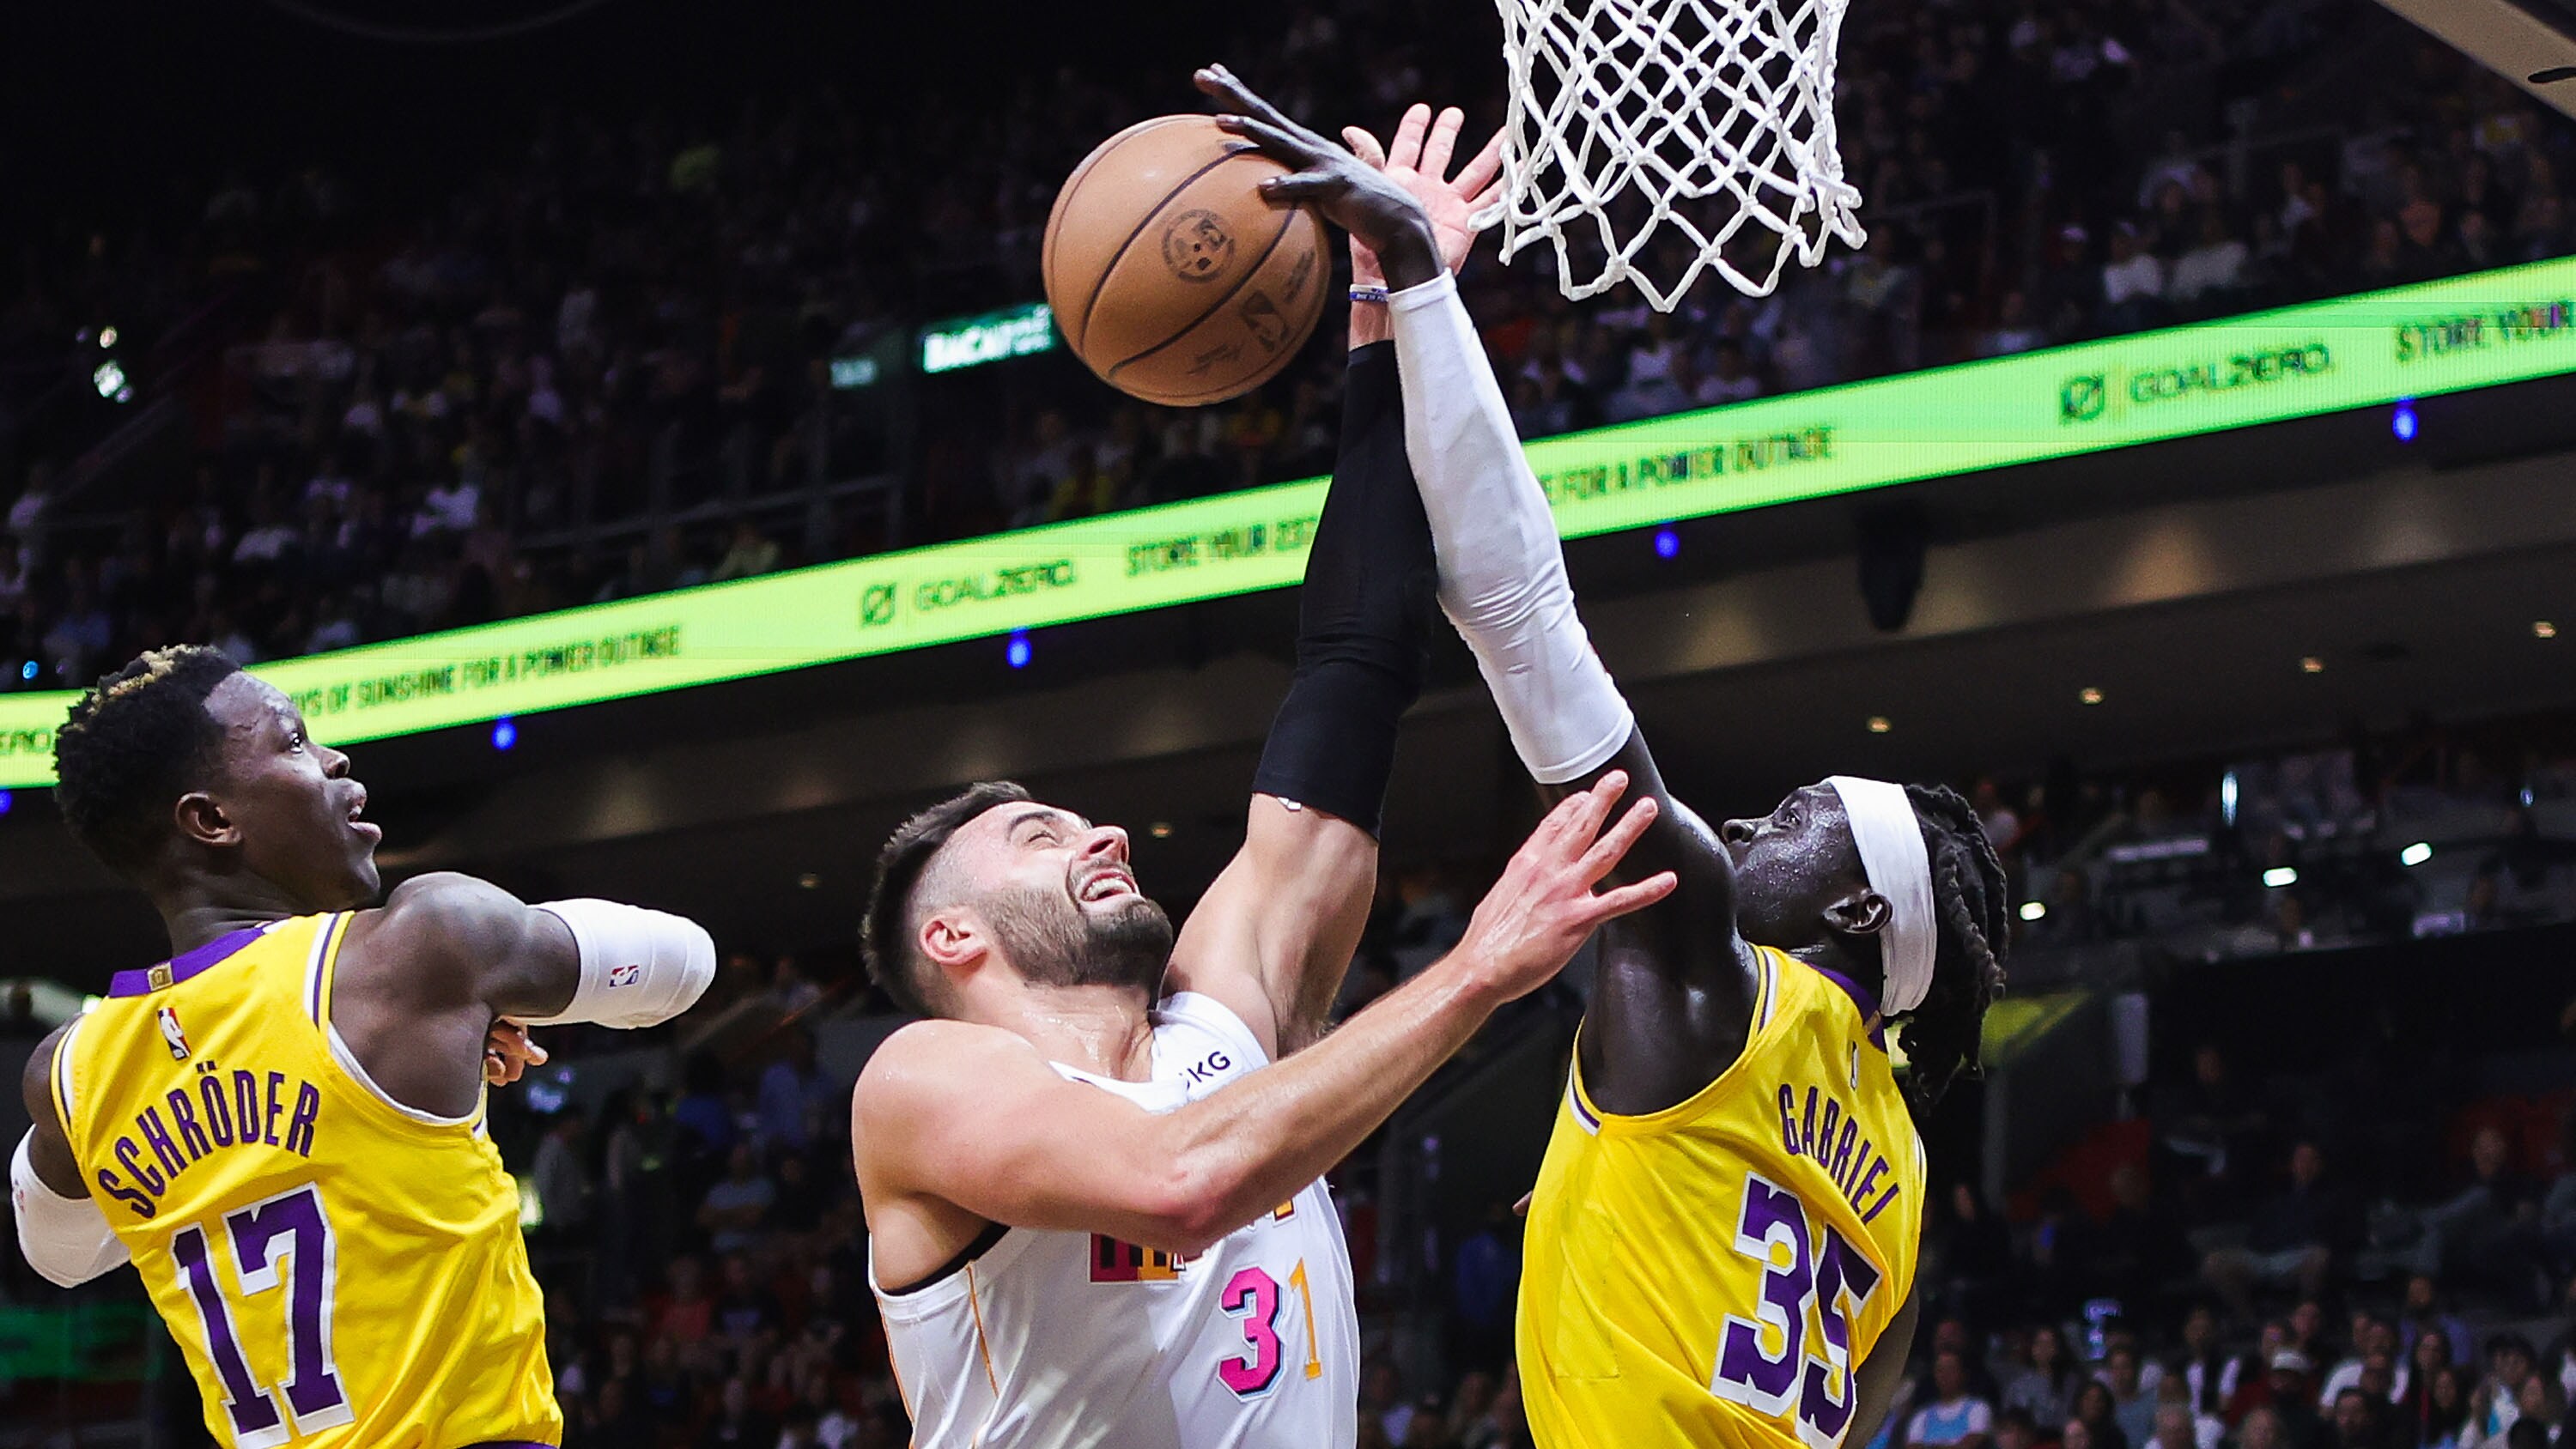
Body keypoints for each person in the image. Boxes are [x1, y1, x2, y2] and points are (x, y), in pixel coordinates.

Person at [853, 74, 1675, 1449]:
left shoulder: (1221, 1017)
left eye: (1076, 819)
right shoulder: (925, 1083)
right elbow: (1178, 1182)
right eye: (1040, 842)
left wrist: (1392, 306)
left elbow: (1354, 666)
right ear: (952, 935)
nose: (1099, 835)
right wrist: (1480, 967)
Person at [1200, 71, 2009, 1449]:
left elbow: (1520, 617)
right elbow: (1845, 1403)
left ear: (1862, 914)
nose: (1753, 820)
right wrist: (1614, 1204)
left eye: (1805, 817)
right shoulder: (1908, 1173)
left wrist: (1417, 286)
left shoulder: (1720, 985)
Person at [12, 644, 717, 1446]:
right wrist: (483, 998)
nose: (334, 757)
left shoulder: (70, 1071)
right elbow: (685, 963)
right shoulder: (421, 950)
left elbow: (60, 1256)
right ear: (212, 821)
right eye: (292, 743)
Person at [1908, 1349, 1998, 1449]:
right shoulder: (1922, 1415)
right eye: (1940, 1370)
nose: (1945, 1375)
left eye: (1951, 1369)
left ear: (1964, 1373)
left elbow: (1972, 1444)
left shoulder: (1979, 1408)